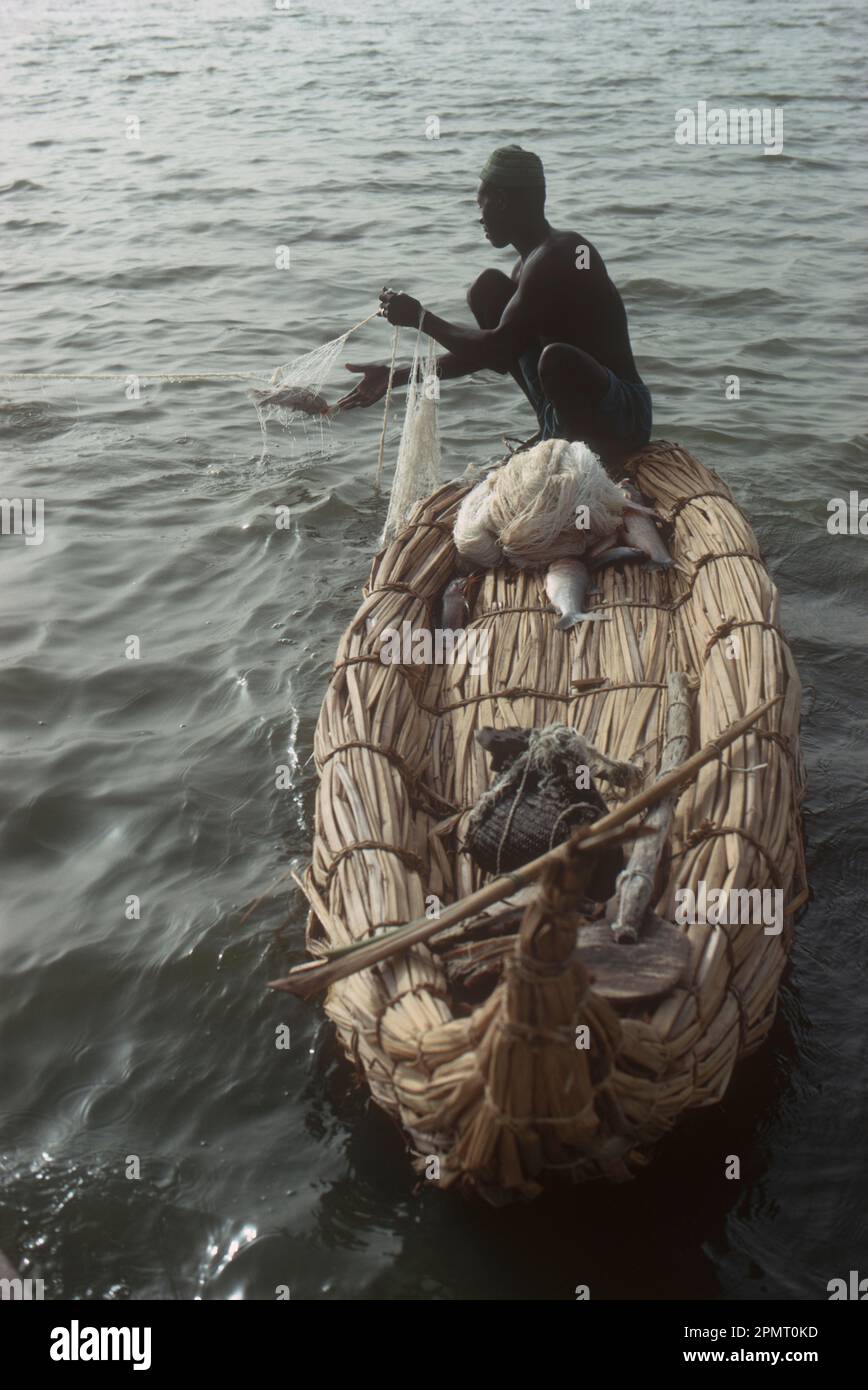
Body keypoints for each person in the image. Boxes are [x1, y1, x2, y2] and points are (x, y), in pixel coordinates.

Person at [337, 144, 652, 472]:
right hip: (566, 408)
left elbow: (497, 350)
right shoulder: (526, 267)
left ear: (501, 201)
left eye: (481, 203)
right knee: (487, 290)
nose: (480, 216)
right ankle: (555, 433)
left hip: (625, 418)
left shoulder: (564, 253)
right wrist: (396, 376)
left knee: (557, 359)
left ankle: (581, 458)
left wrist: (420, 318)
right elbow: (495, 353)